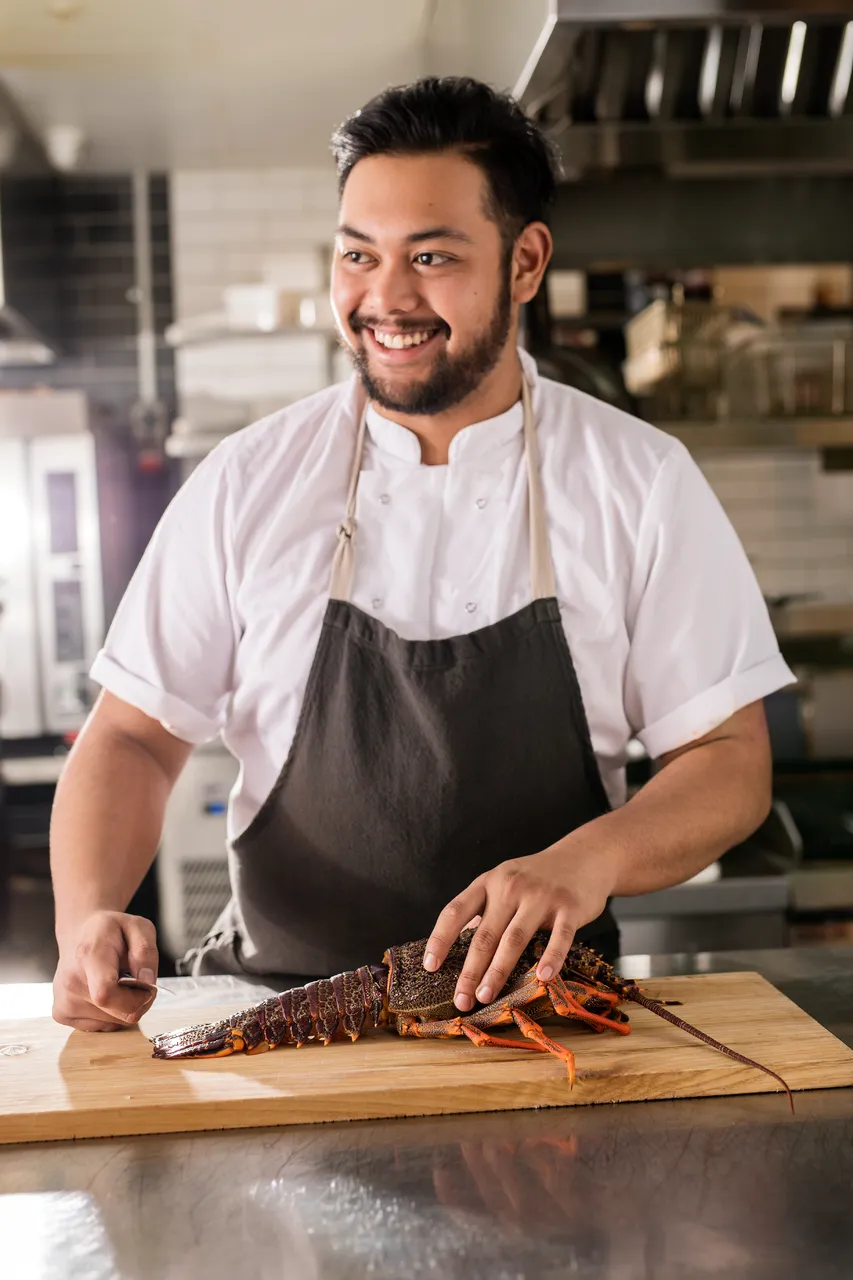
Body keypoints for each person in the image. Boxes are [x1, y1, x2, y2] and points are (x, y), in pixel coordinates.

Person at [51, 77, 793, 1033]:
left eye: (432, 256)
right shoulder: (249, 480)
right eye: (358, 255)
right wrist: (85, 921)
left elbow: (728, 759)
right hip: (279, 1032)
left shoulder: (638, 480)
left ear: (525, 263)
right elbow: (132, 736)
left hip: (545, 1026)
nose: (384, 298)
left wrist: (587, 861)